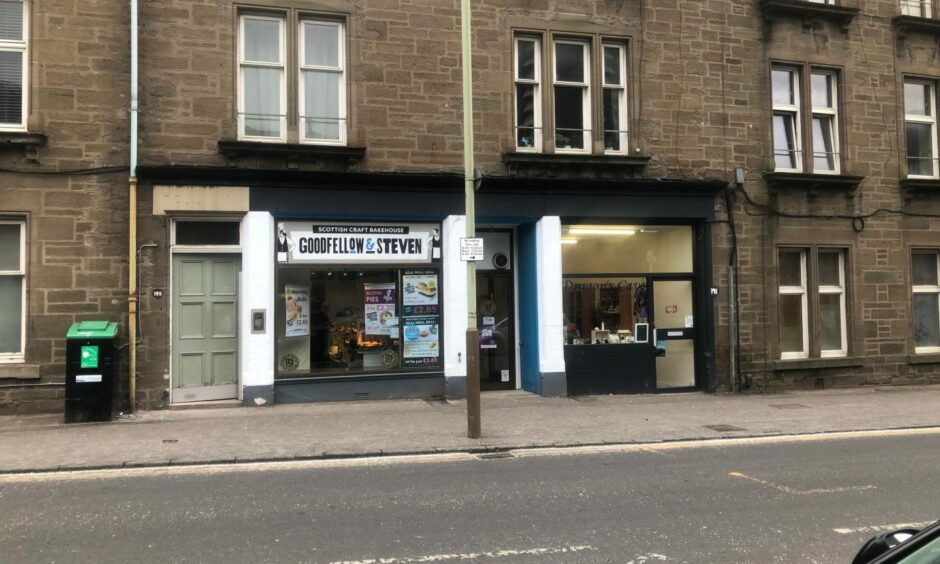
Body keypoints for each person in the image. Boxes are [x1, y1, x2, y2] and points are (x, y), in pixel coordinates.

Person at [309, 302, 332, 367]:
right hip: (321, 338)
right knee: (322, 353)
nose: (328, 311)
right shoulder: (324, 317)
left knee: (317, 353)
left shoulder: (314, 316)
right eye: (327, 309)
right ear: (324, 309)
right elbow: (328, 326)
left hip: (315, 338)